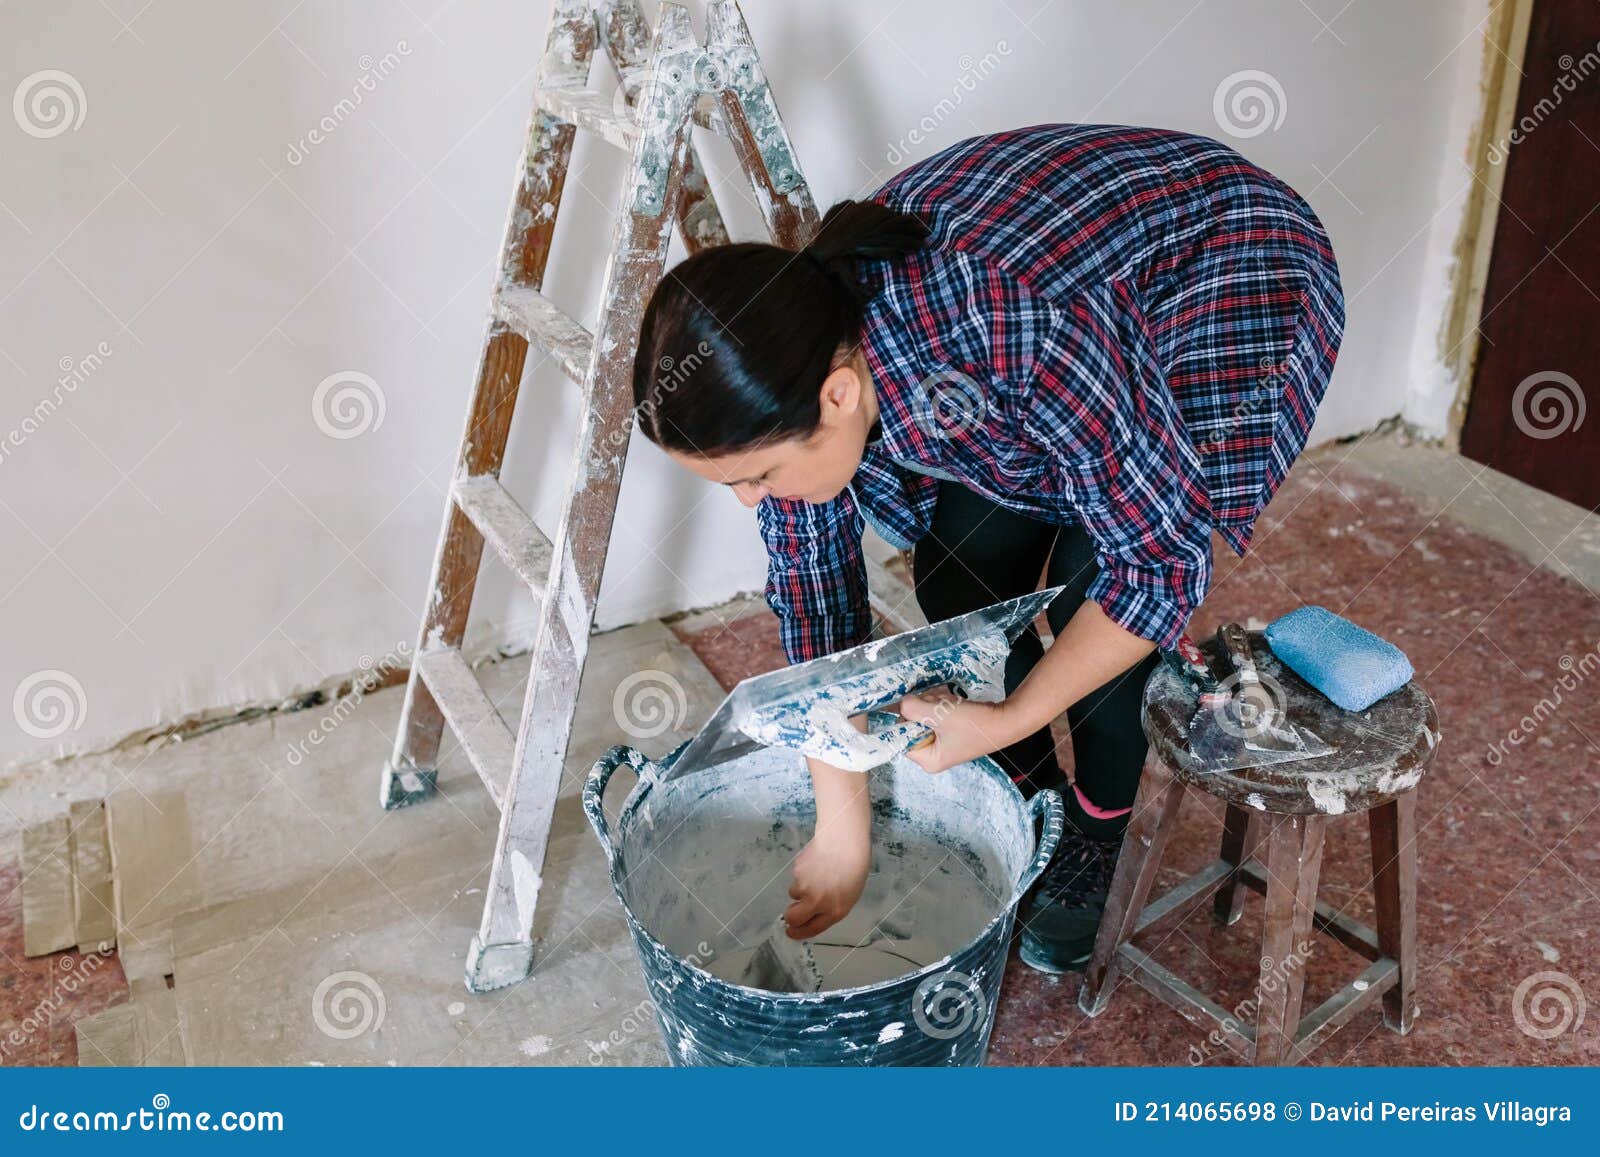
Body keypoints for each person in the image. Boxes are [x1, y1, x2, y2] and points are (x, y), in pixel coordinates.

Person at [630, 123, 1344, 973]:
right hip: (1056, 335)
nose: (752, 500)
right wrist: (842, 825)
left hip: (1229, 276)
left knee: (1095, 586)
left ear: (839, 395)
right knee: (958, 565)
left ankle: (1099, 830)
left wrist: (1010, 713)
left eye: (757, 476)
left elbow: (1157, 568)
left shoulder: (1010, 325)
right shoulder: (804, 352)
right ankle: (1031, 792)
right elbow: (817, 596)